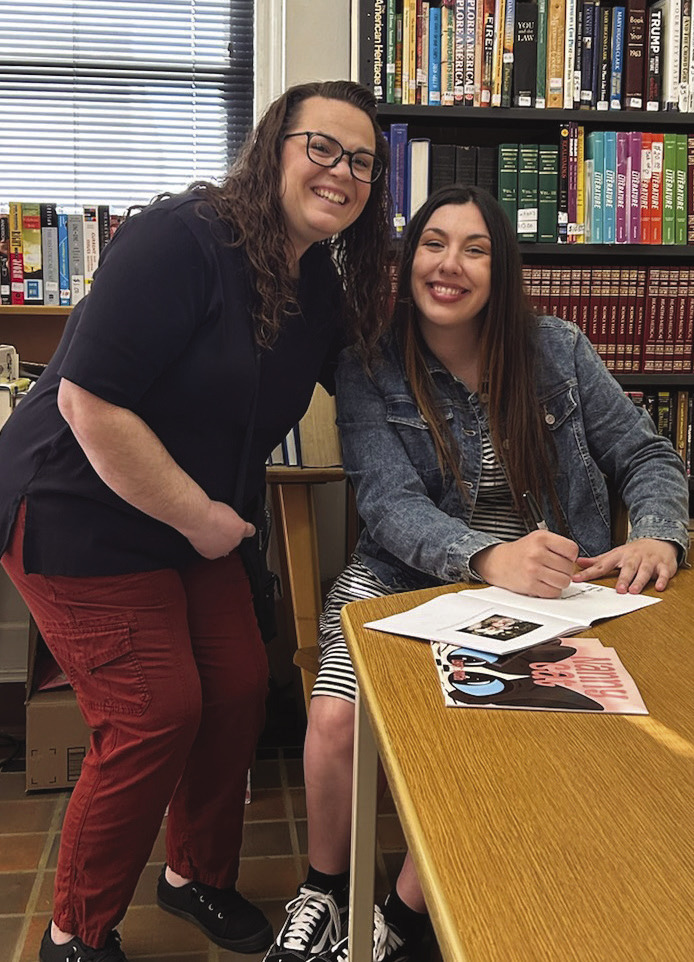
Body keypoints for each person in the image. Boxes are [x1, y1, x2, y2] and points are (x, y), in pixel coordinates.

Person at [0, 80, 392, 962]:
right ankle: (74, 934)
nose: (341, 173)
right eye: (321, 147)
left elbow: (375, 384)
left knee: (240, 687)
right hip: (78, 509)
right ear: (274, 146)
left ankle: (195, 878)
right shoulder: (179, 238)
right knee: (154, 714)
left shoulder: (318, 283)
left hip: (197, 520)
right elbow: (90, 403)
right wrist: (206, 519)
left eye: (362, 161)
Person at [265, 184, 690, 962]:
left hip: (553, 592)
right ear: (408, 258)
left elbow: (646, 454)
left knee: (484, 730)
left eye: (474, 248)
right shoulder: (368, 362)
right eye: (433, 244)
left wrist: (658, 536)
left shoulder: (557, 349)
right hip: (405, 576)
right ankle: (324, 891)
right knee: (332, 718)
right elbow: (388, 502)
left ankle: (398, 914)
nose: (449, 265)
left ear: (502, 268)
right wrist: (487, 557)